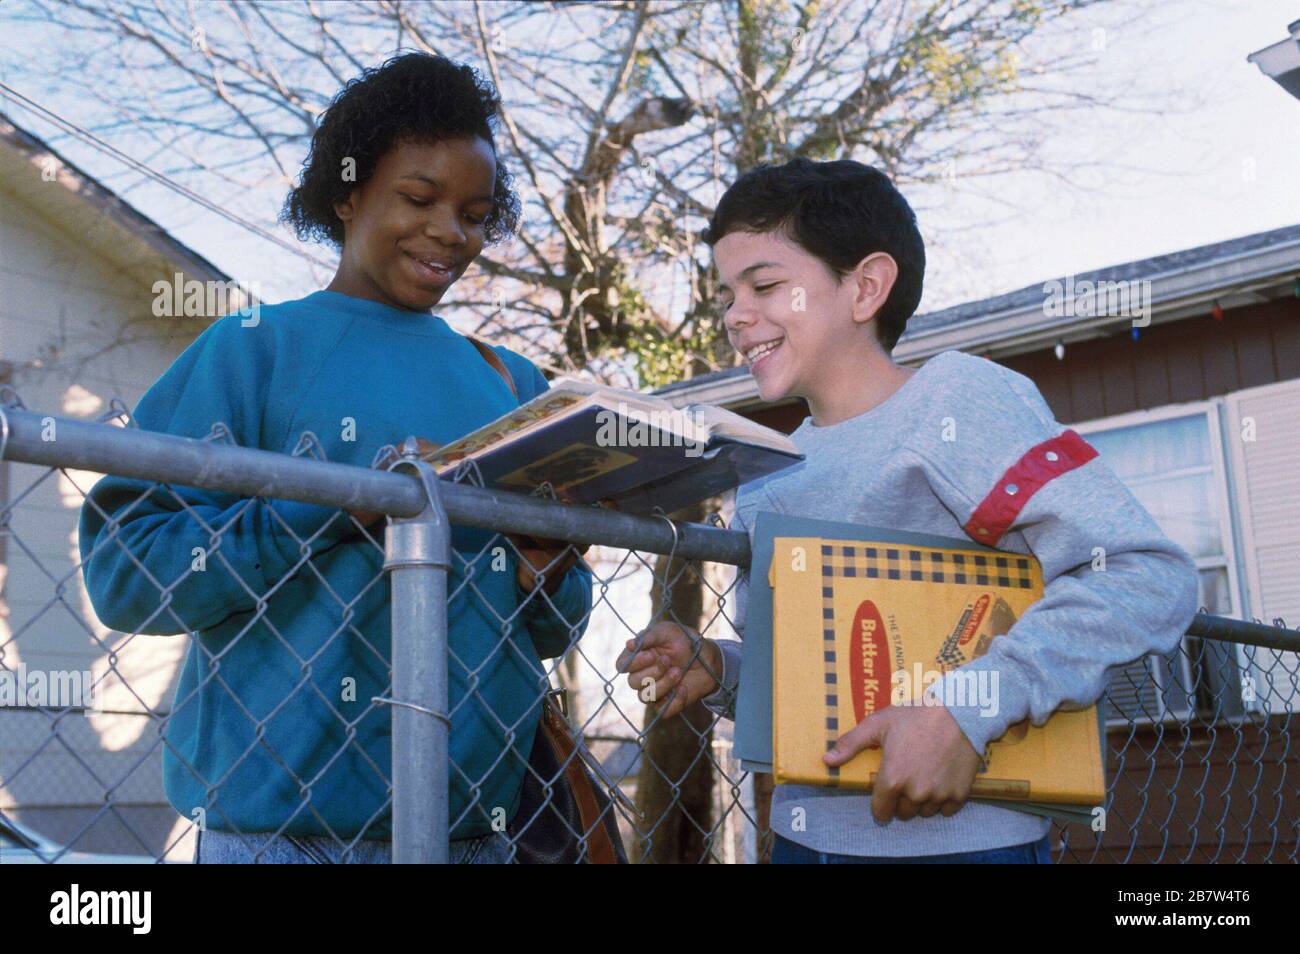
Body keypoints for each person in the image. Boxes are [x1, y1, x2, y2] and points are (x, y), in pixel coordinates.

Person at [78, 52, 593, 863]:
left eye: (475, 211)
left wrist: (548, 566)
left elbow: (554, 630)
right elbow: (126, 573)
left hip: (475, 834)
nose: (450, 232)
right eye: (419, 198)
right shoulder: (254, 352)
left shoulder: (513, 385)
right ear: (347, 193)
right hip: (279, 834)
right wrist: (329, 504)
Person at [617, 157, 1198, 864]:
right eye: (727, 294)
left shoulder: (958, 401)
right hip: (800, 842)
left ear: (865, 287)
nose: (735, 316)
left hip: (965, 848)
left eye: (765, 284)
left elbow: (1145, 575)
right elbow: (822, 679)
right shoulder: (769, 473)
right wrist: (723, 669)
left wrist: (964, 709)